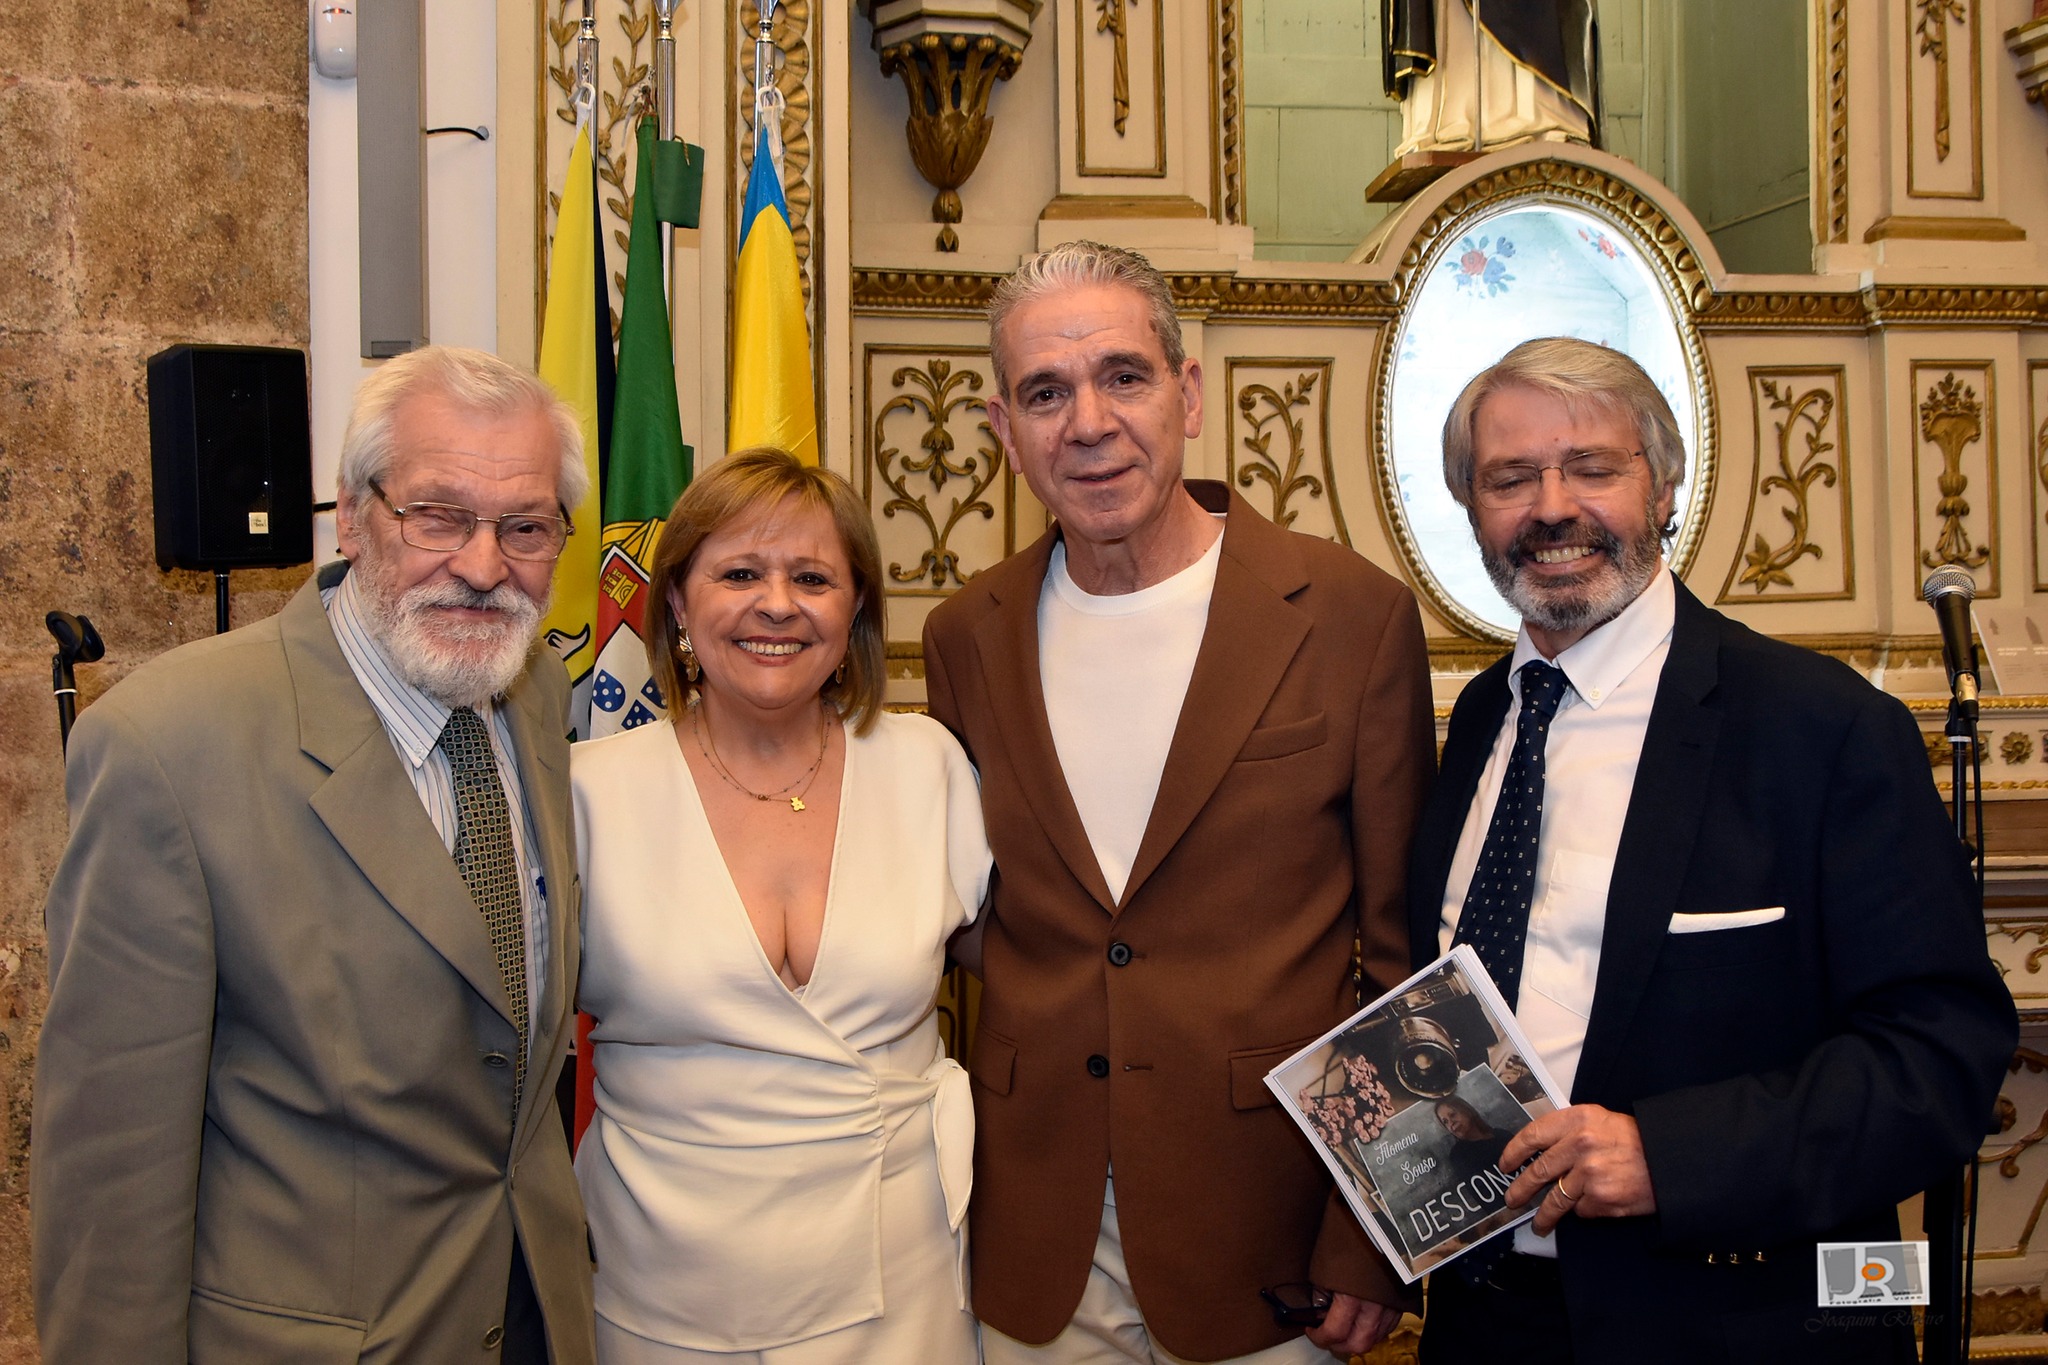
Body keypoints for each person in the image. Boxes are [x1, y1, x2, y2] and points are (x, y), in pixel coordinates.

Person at [1407, 337, 2016, 1364]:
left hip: (1738, 1325)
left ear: (1664, 483)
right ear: (1470, 509)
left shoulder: (1820, 729)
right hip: (1484, 1321)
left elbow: (1936, 1061)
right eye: (1510, 478)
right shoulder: (1476, 721)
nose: (1551, 507)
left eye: (1593, 468)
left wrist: (1664, 1156)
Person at [922, 240, 1437, 1363]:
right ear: (1005, 434)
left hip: (1270, 1237)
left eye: (1123, 376)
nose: (1088, 423)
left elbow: (1404, 959)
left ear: (1187, 393)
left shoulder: (1350, 617)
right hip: (1032, 1232)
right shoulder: (964, 636)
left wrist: (1374, 1233)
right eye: (1044, 394)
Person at [33, 345, 599, 1362]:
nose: (482, 566)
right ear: (349, 512)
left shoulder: (537, 704)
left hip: (534, 1321)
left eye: (523, 528)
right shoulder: (172, 744)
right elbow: (111, 1178)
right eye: (437, 516)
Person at [571, 447, 990, 1363]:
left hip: (904, 1280)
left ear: (857, 611)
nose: (777, 603)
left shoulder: (931, 767)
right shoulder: (586, 793)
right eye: (738, 572)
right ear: (678, 601)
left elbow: (1052, 976)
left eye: (812, 576)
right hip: (661, 1285)